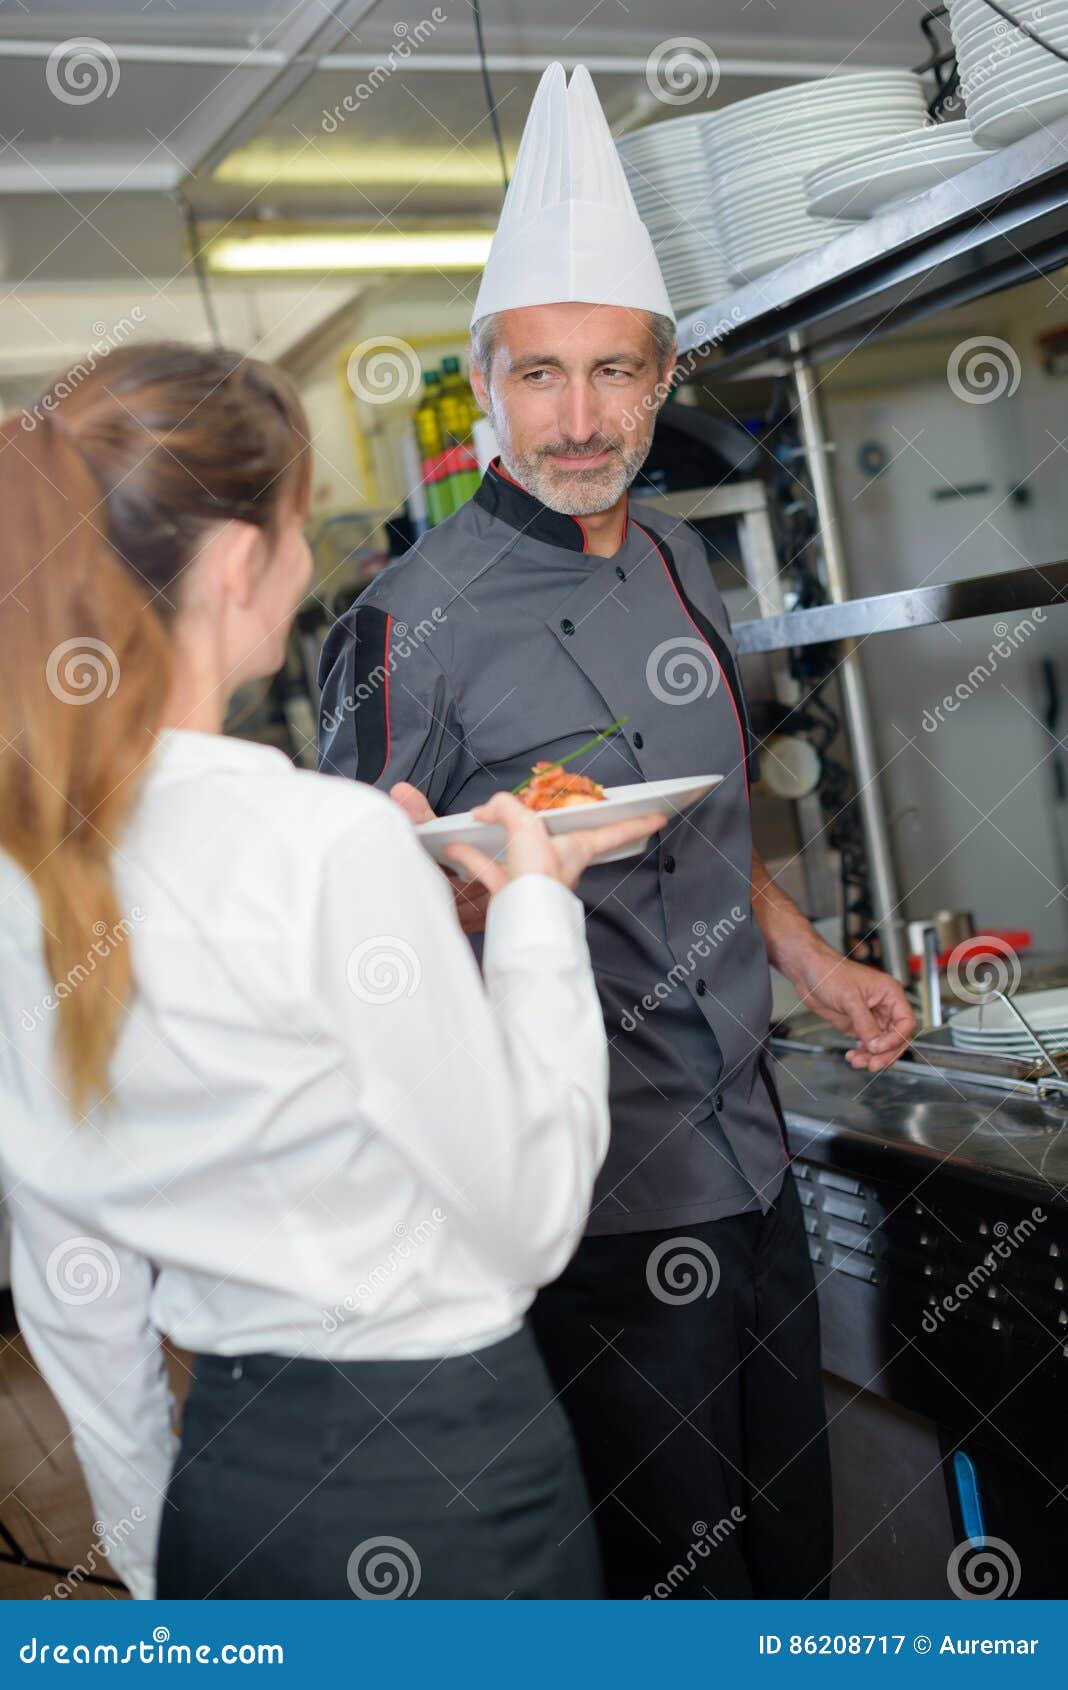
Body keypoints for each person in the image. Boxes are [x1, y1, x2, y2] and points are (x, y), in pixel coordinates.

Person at [318, 63, 916, 1599]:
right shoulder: (408, 622)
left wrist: (810, 961)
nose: (578, 421)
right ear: (487, 382)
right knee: (665, 1584)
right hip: (594, 1199)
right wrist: (476, 884)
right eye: (539, 376)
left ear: (661, 382)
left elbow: (714, 813)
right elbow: (348, 935)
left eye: (612, 375)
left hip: (753, 1152)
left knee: (795, 1553)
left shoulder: (676, 559)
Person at [0, 340, 665, 1600]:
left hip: (228, 1489)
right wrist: (533, 908)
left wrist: (157, 1566)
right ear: (244, 561)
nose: (308, 565)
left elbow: (71, 1284)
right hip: (447, 1484)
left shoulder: (25, 870)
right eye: (299, 526)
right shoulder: (323, 843)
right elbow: (527, 1220)